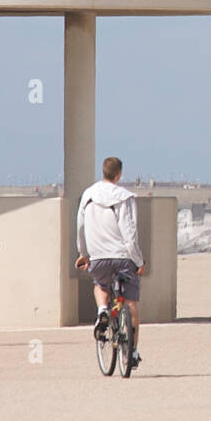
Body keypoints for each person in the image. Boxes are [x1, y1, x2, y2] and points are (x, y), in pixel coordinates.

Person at [75, 156, 146, 369]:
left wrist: (83, 253)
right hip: (123, 256)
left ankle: (102, 311)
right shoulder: (124, 197)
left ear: (103, 172)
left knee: (100, 285)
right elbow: (129, 233)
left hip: (98, 256)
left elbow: (80, 227)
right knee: (131, 302)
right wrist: (139, 260)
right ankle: (132, 352)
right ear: (119, 174)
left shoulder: (88, 195)